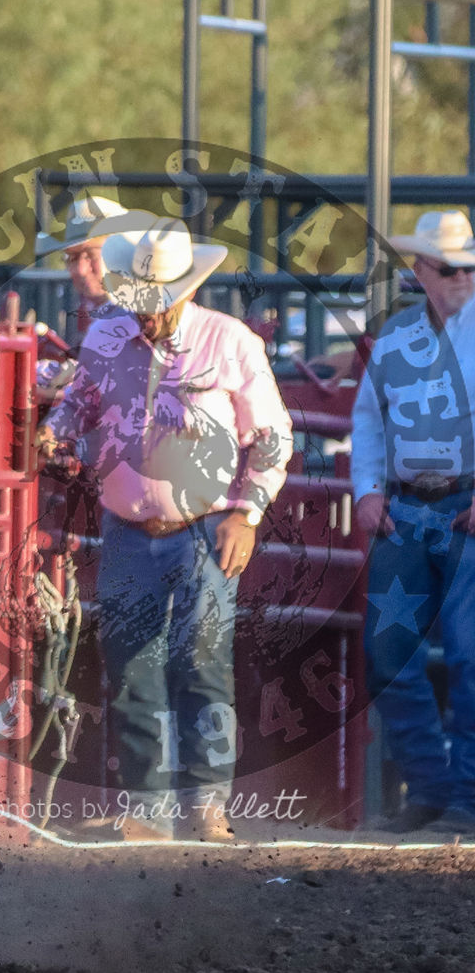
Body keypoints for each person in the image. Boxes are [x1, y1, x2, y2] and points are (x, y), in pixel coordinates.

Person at [42, 215, 293, 841]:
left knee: (201, 662)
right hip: (128, 524)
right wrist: (58, 429)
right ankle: (148, 807)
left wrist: (246, 512)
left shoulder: (229, 341)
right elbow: (81, 401)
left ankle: (206, 803)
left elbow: (269, 436)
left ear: (186, 291)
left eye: (156, 305)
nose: (146, 316)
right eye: (139, 304)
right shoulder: (107, 336)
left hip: (206, 526)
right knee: (132, 665)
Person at [351, 209, 475, 834]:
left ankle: (465, 797)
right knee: (389, 655)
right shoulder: (397, 338)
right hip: (408, 508)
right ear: (421, 271)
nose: (462, 278)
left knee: (470, 656)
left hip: (465, 508)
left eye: (468, 269)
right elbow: (369, 419)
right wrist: (368, 489)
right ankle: (432, 790)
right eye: (450, 268)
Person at [37, 192, 125, 342]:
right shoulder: (67, 310)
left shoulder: (149, 316)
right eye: (72, 258)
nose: (80, 270)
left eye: (91, 256)